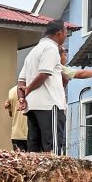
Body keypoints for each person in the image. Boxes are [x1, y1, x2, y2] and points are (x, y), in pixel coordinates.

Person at [17, 20, 69, 153]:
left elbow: (21, 80)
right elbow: (45, 73)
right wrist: (28, 89)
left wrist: (22, 98)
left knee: (34, 151)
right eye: (65, 33)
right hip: (49, 105)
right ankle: (53, 175)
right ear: (59, 33)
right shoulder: (51, 48)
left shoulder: (33, 51)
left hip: (32, 107)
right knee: (52, 150)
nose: (65, 36)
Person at [57, 45, 92, 148]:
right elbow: (81, 73)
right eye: (65, 54)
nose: (66, 56)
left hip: (57, 106)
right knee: (55, 139)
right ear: (58, 56)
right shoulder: (58, 68)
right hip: (56, 107)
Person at [4, 85, 27, 151]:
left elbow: (11, 114)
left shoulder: (11, 91)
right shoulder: (34, 89)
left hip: (16, 134)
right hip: (33, 133)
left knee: (19, 160)